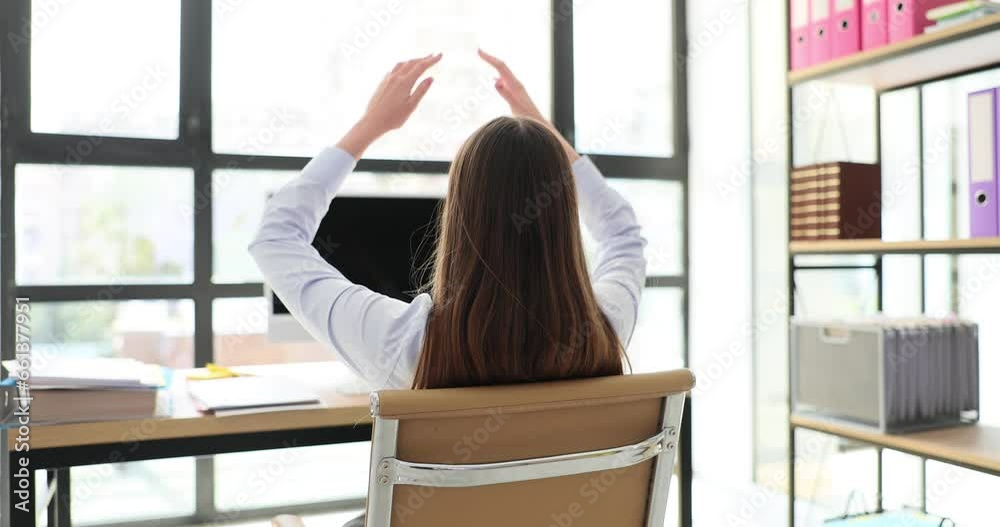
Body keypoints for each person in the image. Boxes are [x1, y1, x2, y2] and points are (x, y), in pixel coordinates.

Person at [254, 49, 647, 527]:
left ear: (459, 214)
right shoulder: (606, 326)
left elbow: (276, 237)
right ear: (561, 212)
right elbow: (623, 231)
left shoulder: (404, 341)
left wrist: (369, 129)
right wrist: (542, 133)